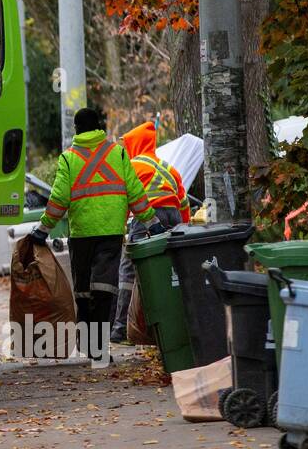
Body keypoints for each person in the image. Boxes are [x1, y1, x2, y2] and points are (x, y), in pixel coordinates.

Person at [31, 108, 163, 360]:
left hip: (82, 236)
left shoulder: (68, 159)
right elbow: (135, 193)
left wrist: (42, 229)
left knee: (83, 291)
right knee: (104, 290)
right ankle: (99, 349)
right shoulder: (118, 153)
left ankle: (89, 343)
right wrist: (152, 223)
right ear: (99, 127)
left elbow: (59, 200)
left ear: (77, 130)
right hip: (111, 233)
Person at [112, 121, 191, 342]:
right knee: (170, 270)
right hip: (173, 216)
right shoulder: (168, 167)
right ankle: (173, 325)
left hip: (146, 218)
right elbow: (183, 202)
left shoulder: (132, 166)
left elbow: (125, 200)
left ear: (134, 144)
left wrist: (119, 230)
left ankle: (120, 329)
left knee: (129, 270)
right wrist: (183, 228)